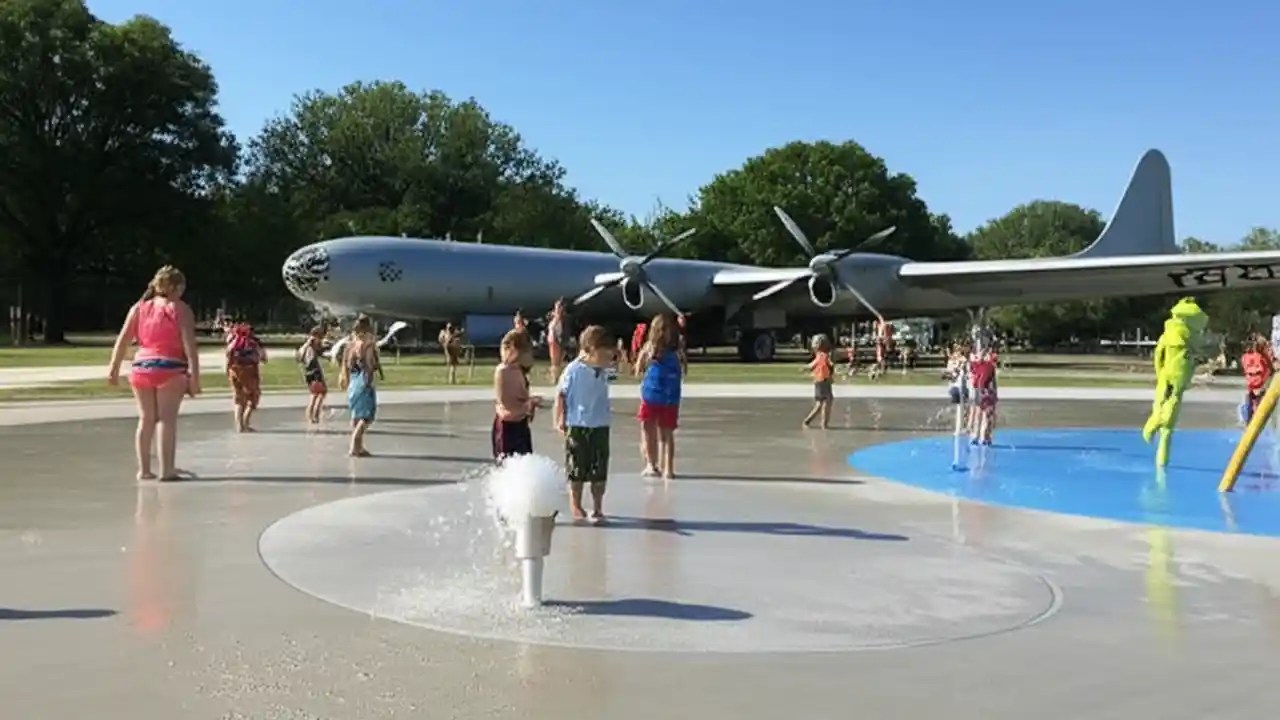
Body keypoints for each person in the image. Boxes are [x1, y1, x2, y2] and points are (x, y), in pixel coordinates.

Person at [108, 265, 201, 481]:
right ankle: (167, 469)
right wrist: (194, 379)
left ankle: (144, 469)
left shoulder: (139, 308)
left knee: (146, 418)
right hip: (170, 367)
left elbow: (122, 341)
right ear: (176, 287)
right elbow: (190, 348)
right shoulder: (180, 309)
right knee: (167, 420)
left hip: (141, 367)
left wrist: (113, 369)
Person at [555, 325, 614, 523]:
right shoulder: (573, 370)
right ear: (589, 350)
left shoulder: (605, 370)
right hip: (577, 425)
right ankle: (576, 505)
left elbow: (619, 374)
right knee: (576, 468)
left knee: (599, 468)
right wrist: (560, 417)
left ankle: (598, 507)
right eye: (605, 353)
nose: (609, 358)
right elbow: (561, 395)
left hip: (600, 425)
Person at [1142, 297, 1210, 466]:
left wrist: (1160, 373)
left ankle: (1156, 432)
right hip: (1176, 378)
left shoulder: (1173, 334)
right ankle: (1154, 425)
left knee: (1162, 404)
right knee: (1170, 411)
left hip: (1169, 376)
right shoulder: (1189, 338)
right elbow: (1188, 359)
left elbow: (1159, 355)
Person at [635, 314, 685, 478]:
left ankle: (653, 464)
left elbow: (638, 370)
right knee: (665, 434)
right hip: (668, 397)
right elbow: (684, 370)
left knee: (650, 430)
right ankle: (666, 468)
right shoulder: (675, 351)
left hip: (652, 396)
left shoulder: (650, 348)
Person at [492, 329, 541, 460]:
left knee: (525, 465)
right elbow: (508, 407)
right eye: (529, 352)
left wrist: (529, 406)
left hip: (520, 424)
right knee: (509, 466)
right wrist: (528, 404)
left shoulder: (518, 370)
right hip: (508, 427)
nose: (531, 357)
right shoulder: (504, 371)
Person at [339, 315, 381, 457]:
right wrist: (370, 377)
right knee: (367, 415)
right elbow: (369, 363)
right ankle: (354, 444)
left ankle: (359, 446)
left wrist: (344, 376)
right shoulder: (367, 343)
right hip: (364, 379)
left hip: (353, 379)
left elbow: (345, 362)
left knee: (356, 414)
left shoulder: (350, 343)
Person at [225, 322, 267, 432]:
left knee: (238, 398)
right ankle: (246, 422)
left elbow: (227, 354)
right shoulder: (255, 342)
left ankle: (239, 425)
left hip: (234, 371)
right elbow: (263, 358)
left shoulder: (233, 340)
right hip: (250, 371)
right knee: (253, 397)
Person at [802, 334, 835, 429]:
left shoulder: (819, 356)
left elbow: (812, 365)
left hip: (819, 382)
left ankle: (808, 421)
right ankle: (824, 424)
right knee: (827, 402)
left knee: (820, 404)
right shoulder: (825, 356)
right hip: (824, 381)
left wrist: (805, 369)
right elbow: (828, 365)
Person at [1240, 334, 1274, 424]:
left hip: (1253, 385)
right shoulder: (1261, 357)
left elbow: (1247, 370)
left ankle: (1249, 419)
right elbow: (1270, 368)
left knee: (1251, 401)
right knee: (1256, 401)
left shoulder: (1245, 357)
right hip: (1259, 384)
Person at [297, 325, 328, 424]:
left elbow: (300, 357)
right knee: (321, 393)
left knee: (314, 394)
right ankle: (315, 415)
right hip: (314, 372)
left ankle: (310, 415)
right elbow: (316, 354)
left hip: (308, 372)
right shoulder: (313, 342)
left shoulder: (306, 346)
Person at [969, 348, 999, 445]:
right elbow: (971, 367)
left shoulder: (990, 366)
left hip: (987, 392)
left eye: (982, 354)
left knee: (987, 415)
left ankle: (986, 436)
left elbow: (993, 382)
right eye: (979, 354)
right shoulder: (976, 365)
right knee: (978, 414)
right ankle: (976, 436)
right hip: (979, 391)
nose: (980, 356)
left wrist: (995, 393)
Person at [546, 299, 570, 383]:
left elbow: (561, 331)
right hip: (553, 340)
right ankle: (556, 377)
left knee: (556, 362)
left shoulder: (561, 319)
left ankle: (556, 378)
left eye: (559, 307)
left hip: (555, 341)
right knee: (556, 362)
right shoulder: (555, 317)